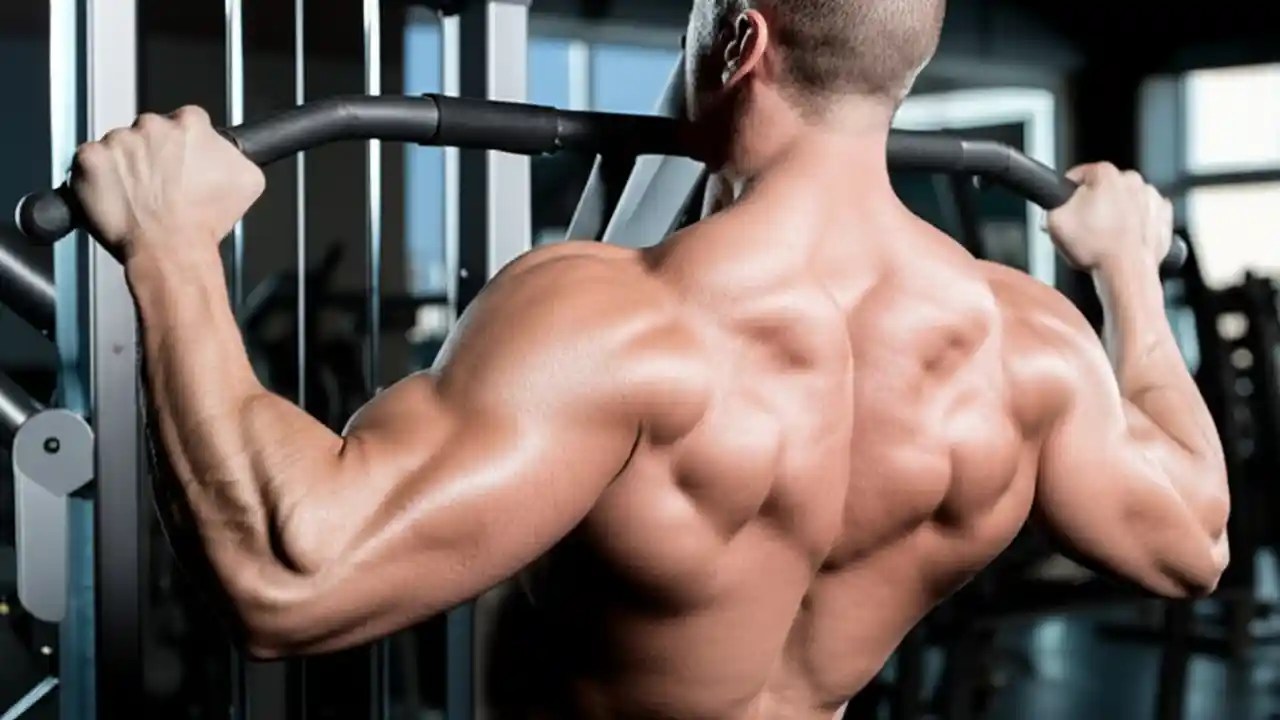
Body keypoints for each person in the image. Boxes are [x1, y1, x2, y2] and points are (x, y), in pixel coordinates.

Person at [68, 0, 1229, 717]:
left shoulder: (616, 324)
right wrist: (1124, 272)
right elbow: (1192, 542)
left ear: (737, 40)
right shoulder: (1023, 339)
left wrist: (170, 252)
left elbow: (289, 580)